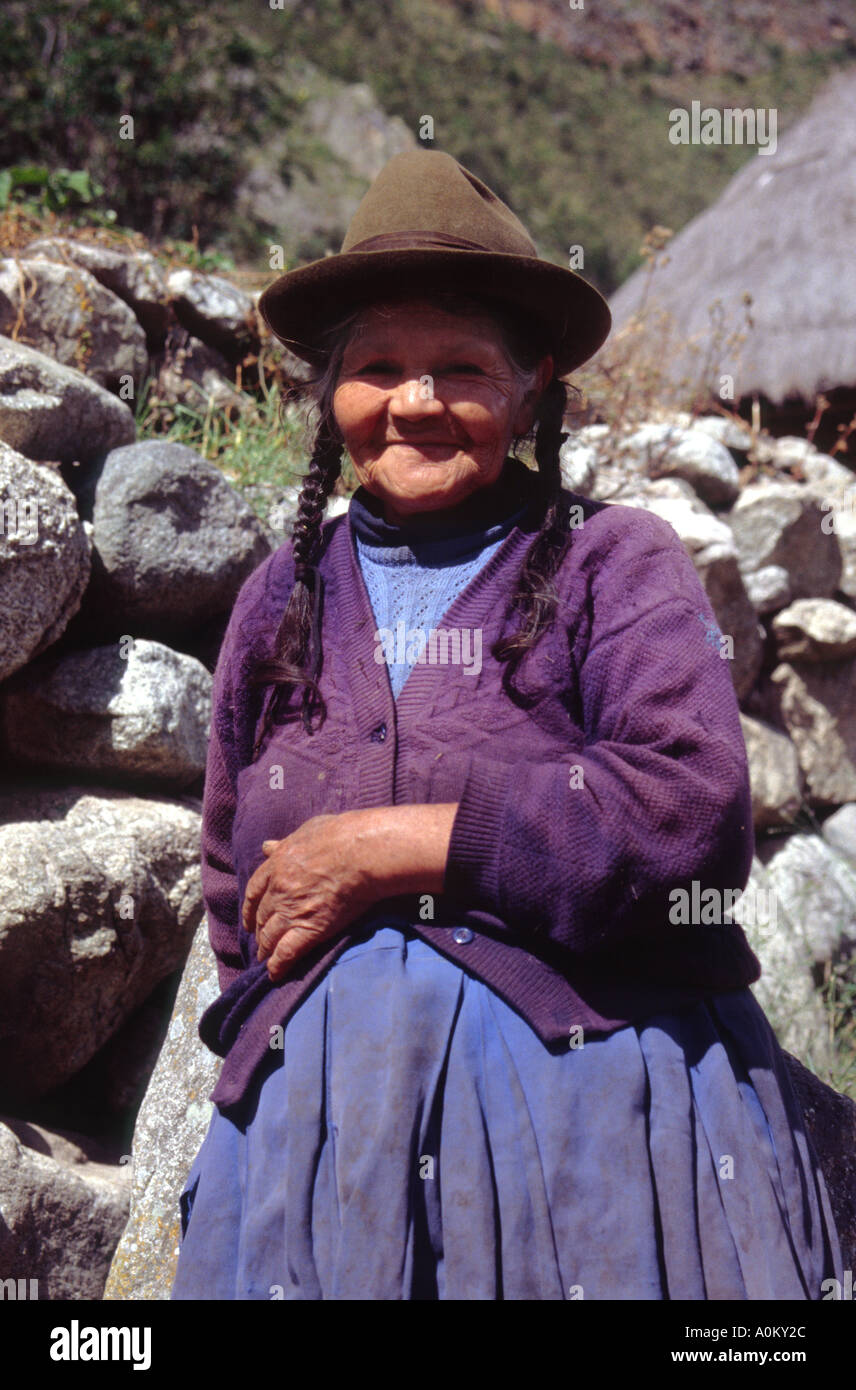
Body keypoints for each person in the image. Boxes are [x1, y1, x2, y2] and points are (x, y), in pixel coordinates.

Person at [171, 149, 843, 1300]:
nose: (416, 402)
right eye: (377, 366)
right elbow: (236, 871)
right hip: (319, 1150)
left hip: (584, 1132)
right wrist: (282, 1050)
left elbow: (688, 812)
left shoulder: (610, 565)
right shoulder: (281, 597)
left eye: (461, 369)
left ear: (531, 384)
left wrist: (394, 845)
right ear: (331, 391)